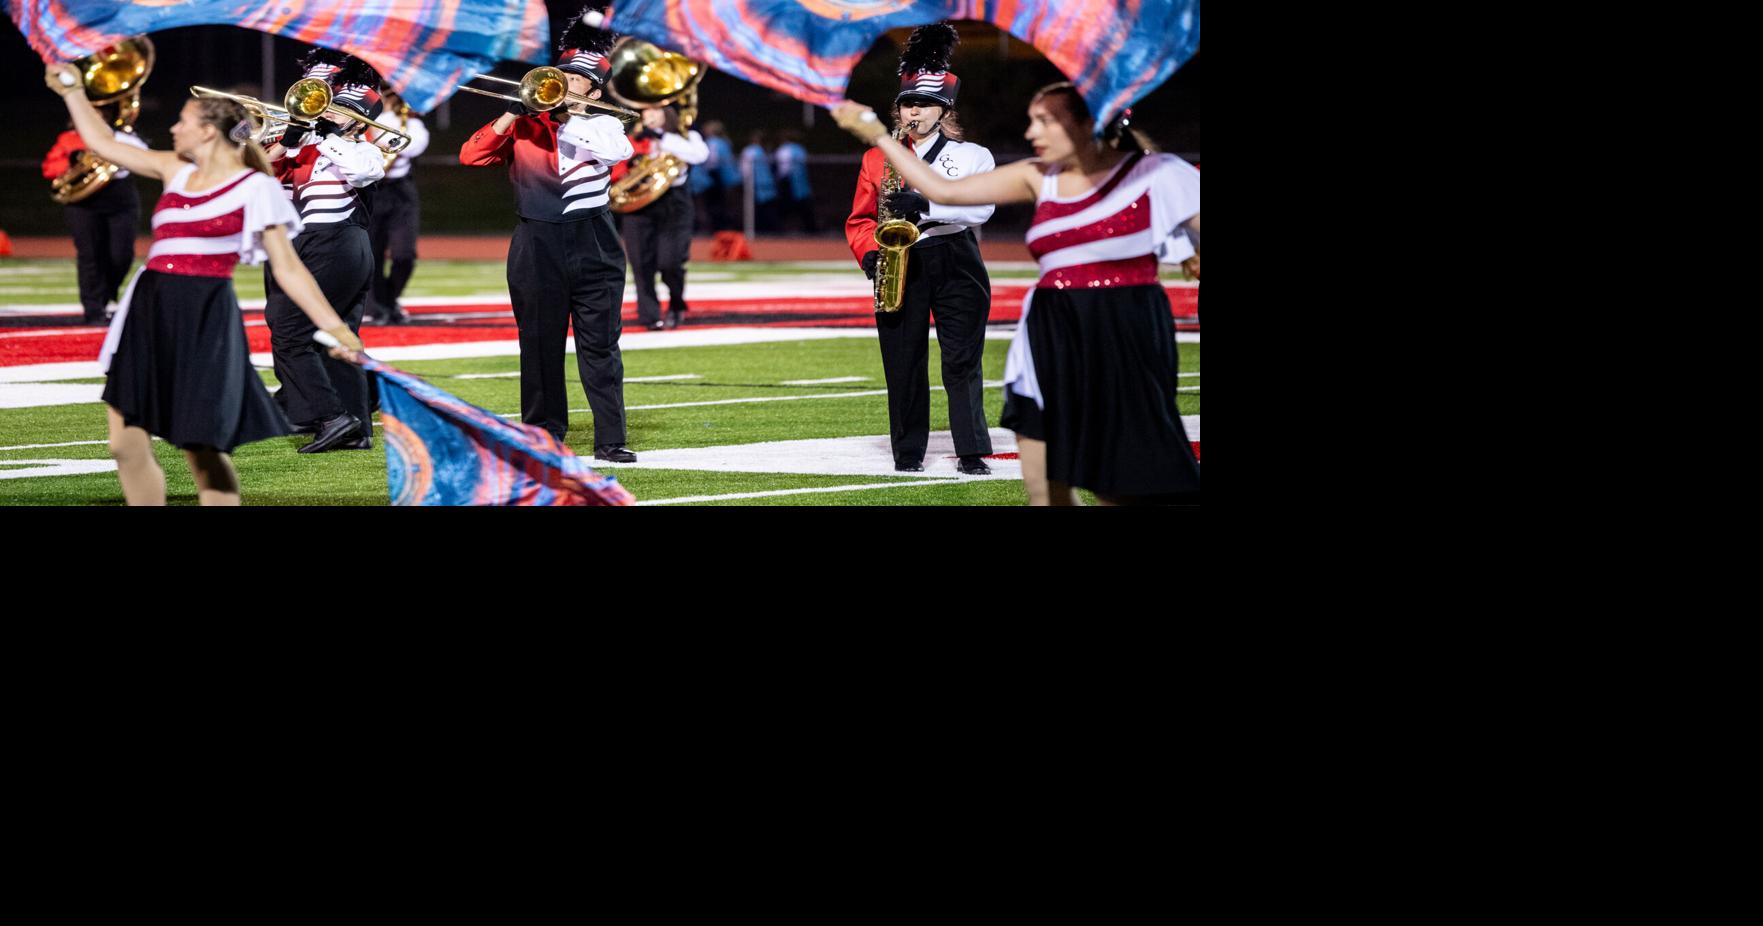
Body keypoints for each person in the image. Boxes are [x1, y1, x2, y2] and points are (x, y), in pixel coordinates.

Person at [834, 81, 1201, 505]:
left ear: (1089, 123)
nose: (1031, 133)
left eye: (1044, 121)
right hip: (1049, 328)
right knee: (1045, 487)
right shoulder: (1035, 174)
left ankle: (971, 449)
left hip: (1127, 325)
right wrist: (875, 133)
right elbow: (947, 191)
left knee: (1128, 477)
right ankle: (911, 450)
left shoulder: (1161, 172)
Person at [45, 63, 363, 506]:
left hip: (204, 311)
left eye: (183, 121)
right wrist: (71, 91)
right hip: (148, 304)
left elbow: (289, 270)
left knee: (202, 449)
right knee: (124, 444)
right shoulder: (173, 168)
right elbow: (101, 143)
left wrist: (339, 330)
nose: (173, 128)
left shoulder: (256, 186)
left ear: (209, 132)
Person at [458, 6, 638, 461]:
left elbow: (617, 152)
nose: (558, 84)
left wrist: (570, 118)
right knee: (537, 345)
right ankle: (542, 435)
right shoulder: (523, 124)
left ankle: (611, 438)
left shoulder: (605, 123)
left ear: (593, 88)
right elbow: (471, 158)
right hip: (536, 243)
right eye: (557, 77)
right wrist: (509, 114)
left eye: (572, 80)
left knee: (600, 346)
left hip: (593, 241)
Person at [844, 22, 997, 475]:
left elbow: (982, 208)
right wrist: (870, 253)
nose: (914, 112)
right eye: (908, 103)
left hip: (955, 258)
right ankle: (907, 454)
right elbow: (860, 218)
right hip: (899, 262)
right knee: (903, 362)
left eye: (924, 104)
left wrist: (927, 204)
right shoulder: (878, 156)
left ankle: (971, 452)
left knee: (961, 359)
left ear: (942, 108)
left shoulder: (972, 155)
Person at [260, 49, 386, 453]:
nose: (330, 113)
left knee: (290, 330)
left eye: (340, 109)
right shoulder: (309, 148)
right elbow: (260, 179)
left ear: (361, 116)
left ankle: (333, 417)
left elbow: (364, 172)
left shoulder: (363, 148)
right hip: (308, 244)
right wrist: (285, 143)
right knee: (337, 337)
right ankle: (355, 427)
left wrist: (322, 135)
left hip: (339, 244)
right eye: (330, 107)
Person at [42, 107, 147, 324]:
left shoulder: (121, 137)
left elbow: (144, 156)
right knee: (90, 255)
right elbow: (50, 168)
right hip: (83, 202)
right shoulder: (69, 138)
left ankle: (105, 293)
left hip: (120, 198)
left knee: (121, 255)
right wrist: (74, 163)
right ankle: (93, 309)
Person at [615, 104, 708, 330]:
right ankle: (649, 316)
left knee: (671, 261)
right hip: (638, 204)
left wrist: (661, 137)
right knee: (640, 263)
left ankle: (676, 304)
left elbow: (700, 155)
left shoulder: (686, 136)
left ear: (667, 114)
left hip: (674, 203)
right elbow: (616, 167)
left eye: (655, 111)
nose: (650, 116)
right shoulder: (635, 138)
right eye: (646, 112)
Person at [365, 86, 430, 326]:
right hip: (373, 190)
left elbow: (414, 145)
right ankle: (379, 306)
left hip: (401, 190)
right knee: (373, 254)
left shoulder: (412, 123)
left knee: (404, 255)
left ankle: (389, 299)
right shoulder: (368, 118)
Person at [689, 119, 740, 233]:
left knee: (703, 206)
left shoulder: (713, 142)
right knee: (729, 206)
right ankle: (731, 229)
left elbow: (711, 161)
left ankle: (711, 229)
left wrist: (707, 172)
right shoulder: (724, 141)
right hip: (730, 178)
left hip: (722, 179)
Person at [773, 129, 817, 234]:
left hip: (789, 183)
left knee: (790, 207)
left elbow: (783, 169)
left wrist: (779, 179)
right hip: (799, 183)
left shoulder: (783, 150)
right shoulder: (799, 149)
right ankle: (811, 229)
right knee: (801, 207)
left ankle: (780, 230)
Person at [739, 130, 778, 233]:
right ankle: (759, 231)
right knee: (759, 211)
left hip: (764, 186)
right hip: (756, 186)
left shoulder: (764, 151)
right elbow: (746, 169)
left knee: (766, 210)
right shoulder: (751, 151)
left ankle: (766, 231)